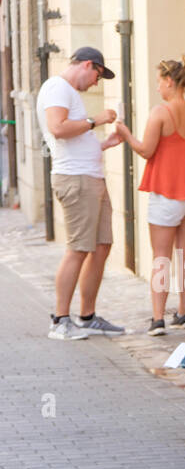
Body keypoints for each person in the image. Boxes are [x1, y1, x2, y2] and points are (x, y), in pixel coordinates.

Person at [36, 46, 126, 340]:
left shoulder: (68, 92)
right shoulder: (57, 88)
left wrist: (103, 144)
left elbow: (72, 140)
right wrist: (96, 120)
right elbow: (58, 128)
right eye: (98, 76)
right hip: (76, 181)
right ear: (88, 65)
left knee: (101, 246)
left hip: (89, 178)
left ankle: (87, 316)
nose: (96, 84)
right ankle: (60, 320)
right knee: (78, 248)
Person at [116, 56, 185, 336]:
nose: (157, 89)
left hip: (166, 193)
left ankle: (157, 319)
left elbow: (146, 150)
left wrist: (126, 134)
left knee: (161, 257)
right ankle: (184, 313)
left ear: (168, 81)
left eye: (158, 83)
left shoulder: (161, 112)